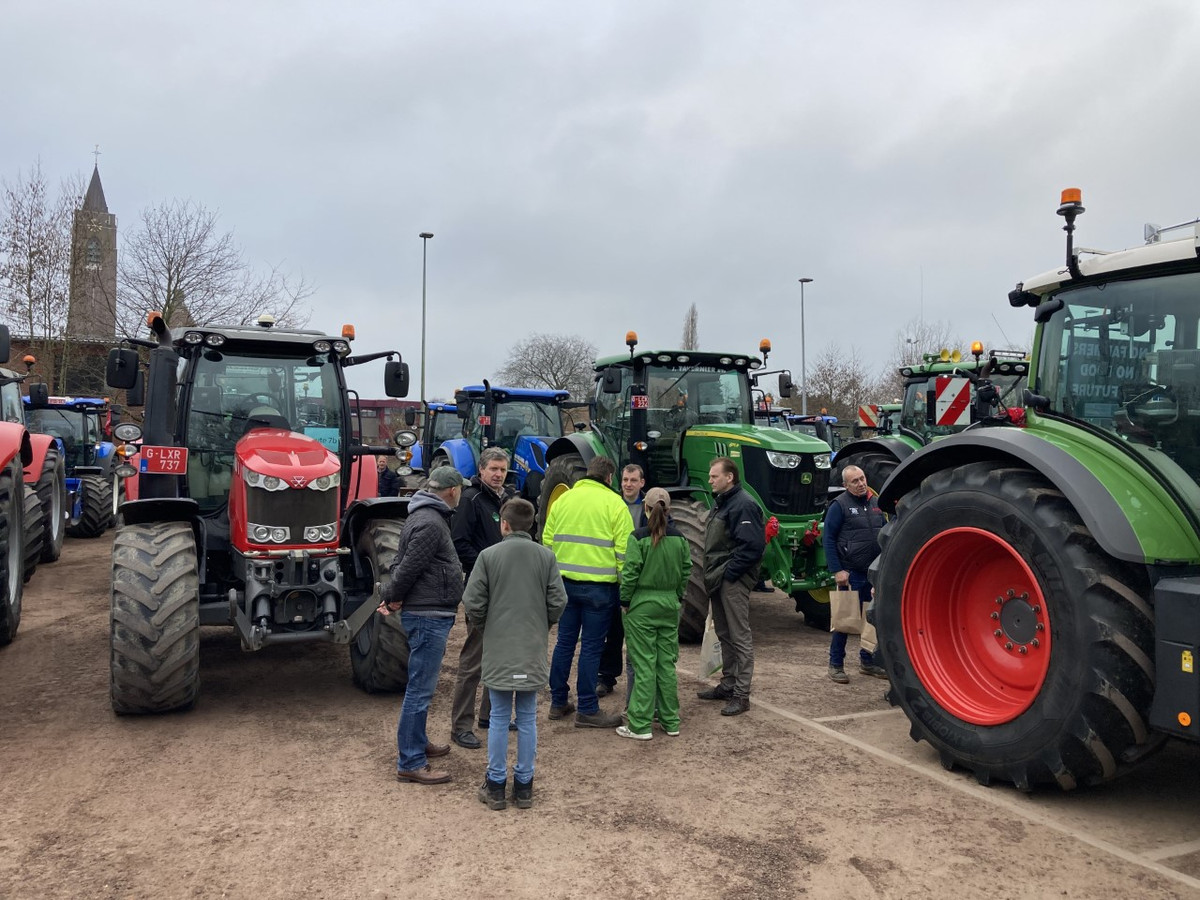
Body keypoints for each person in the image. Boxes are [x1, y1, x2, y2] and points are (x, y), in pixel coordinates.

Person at [464, 498, 567, 810]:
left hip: (498, 645)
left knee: (497, 715)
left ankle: (495, 785)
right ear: (532, 525)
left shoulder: (488, 556)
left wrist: (486, 627)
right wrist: (543, 624)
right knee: (527, 716)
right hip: (531, 645)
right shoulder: (546, 557)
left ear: (504, 524)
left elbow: (473, 601)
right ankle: (524, 786)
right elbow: (558, 600)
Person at [381, 464, 465, 785]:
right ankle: (411, 760)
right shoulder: (431, 522)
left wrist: (395, 596)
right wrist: (392, 596)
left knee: (423, 688)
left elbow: (402, 564)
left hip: (429, 611)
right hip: (429, 615)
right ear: (452, 491)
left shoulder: (423, 516)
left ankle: (418, 743)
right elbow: (405, 570)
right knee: (420, 689)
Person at [544, 456, 633, 729]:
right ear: (609, 478)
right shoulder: (615, 504)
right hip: (600, 589)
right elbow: (625, 553)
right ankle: (587, 708)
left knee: (564, 644)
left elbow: (547, 540)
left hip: (565, 585)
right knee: (592, 648)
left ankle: (558, 702)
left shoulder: (563, 500)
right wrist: (625, 588)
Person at [449, 447, 517, 750]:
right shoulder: (470, 500)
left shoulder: (505, 500)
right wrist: (489, 565)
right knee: (473, 659)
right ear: (482, 469)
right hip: (481, 588)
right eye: (493, 469)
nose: (498, 474)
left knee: (500, 655)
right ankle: (461, 724)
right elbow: (458, 544)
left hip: (505, 588)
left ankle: (491, 715)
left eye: (502, 469)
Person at [616, 487, 690, 741]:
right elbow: (686, 571)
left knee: (644, 664)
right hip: (669, 605)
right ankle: (671, 720)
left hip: (642, 607)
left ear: (645, 508)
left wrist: (625, 600)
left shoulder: (637, 538)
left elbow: (631, 572)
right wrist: (676, 596)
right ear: (669, 510)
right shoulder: (680, 539)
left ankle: (640, 724)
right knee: (666, 665)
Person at [697, 457, 765, 716]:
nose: (710, 480)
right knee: (724, 634)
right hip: (719, 577)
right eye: (711, 476)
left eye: (714, 476)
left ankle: (741, 694)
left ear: (730, 477)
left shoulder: (743, 505)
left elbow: (753, 547)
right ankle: (728, 684)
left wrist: (729, 574)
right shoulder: (722, 503)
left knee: (739, 636)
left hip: (731, 579)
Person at [823, 464, 888, 683]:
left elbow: (885, 534)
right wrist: (837, 570)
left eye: (862, 478)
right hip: (850, 573)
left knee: (871, 620)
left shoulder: (876, 503)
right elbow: (828, 539)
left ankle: (867, 662)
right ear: (845, 485)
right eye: (855, 481)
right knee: (844, 620)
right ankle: (836, 665)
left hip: (872, 573)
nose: (860, 484)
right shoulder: (839, 506)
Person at [597, 463, 646, 698]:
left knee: (639, 633)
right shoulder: (611, 503)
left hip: (641, 579)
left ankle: (641, 681)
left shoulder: (649, 508)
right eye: (625, 480)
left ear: (641, 483)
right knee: (613, 630)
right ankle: (606, 677)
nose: (628, 484)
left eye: (633, 480)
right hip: (614, 578)